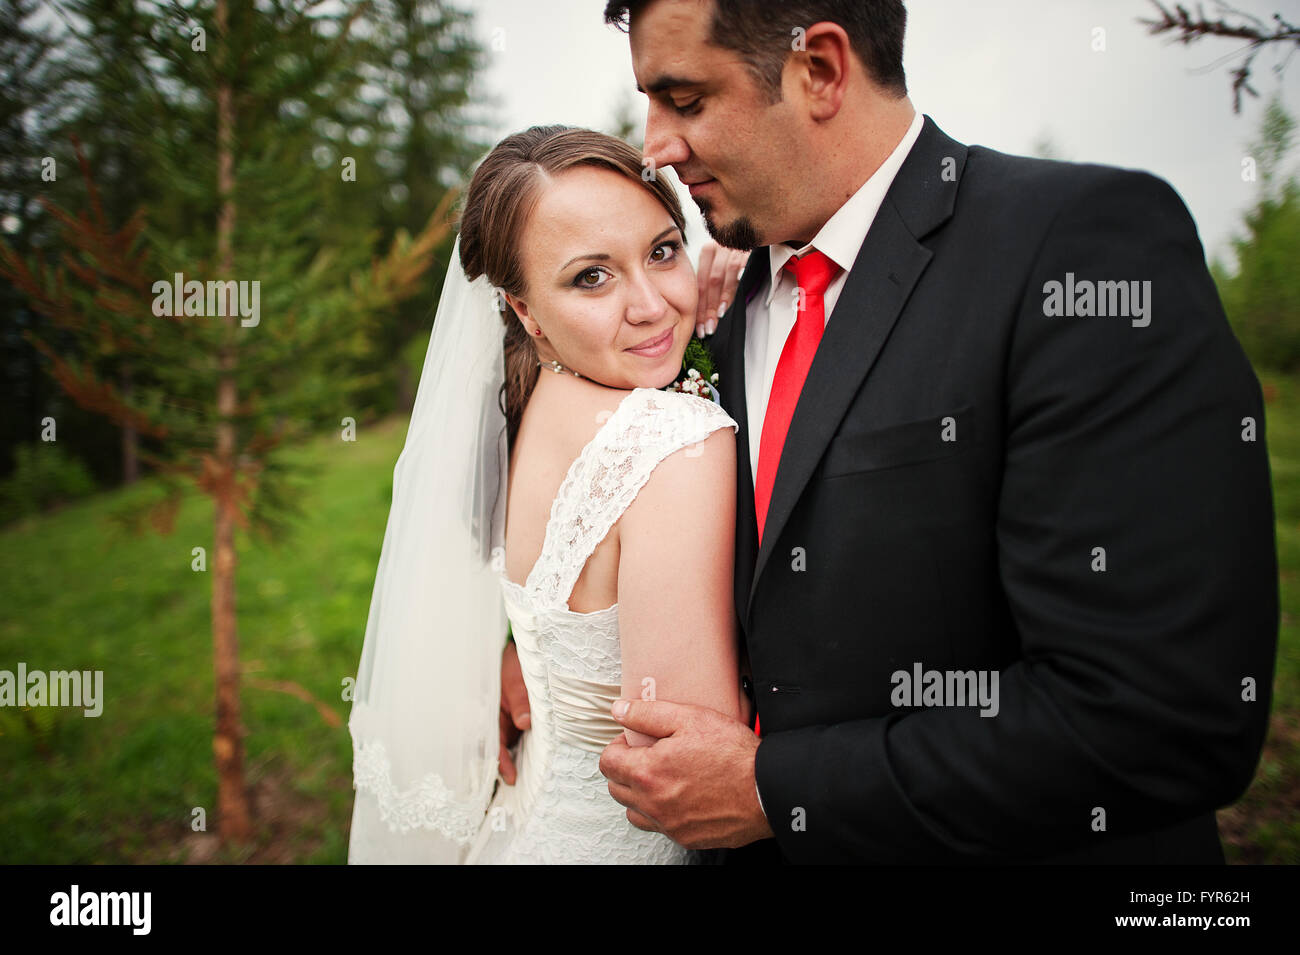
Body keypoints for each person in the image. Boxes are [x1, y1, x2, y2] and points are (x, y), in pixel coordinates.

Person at [497, 0, 1280, 864]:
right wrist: (551, 662)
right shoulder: (711, 299)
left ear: (821, 70)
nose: (656, 145)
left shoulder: (1078, 251)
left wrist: (775, 788)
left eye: (685, 99)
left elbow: (1164, 718)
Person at [346, 125, 751, 863]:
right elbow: (691, 761)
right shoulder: (675, 439)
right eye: (590, 278)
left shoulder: (524, 403)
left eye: (663, 251)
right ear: (526, 311)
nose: (652, 305)